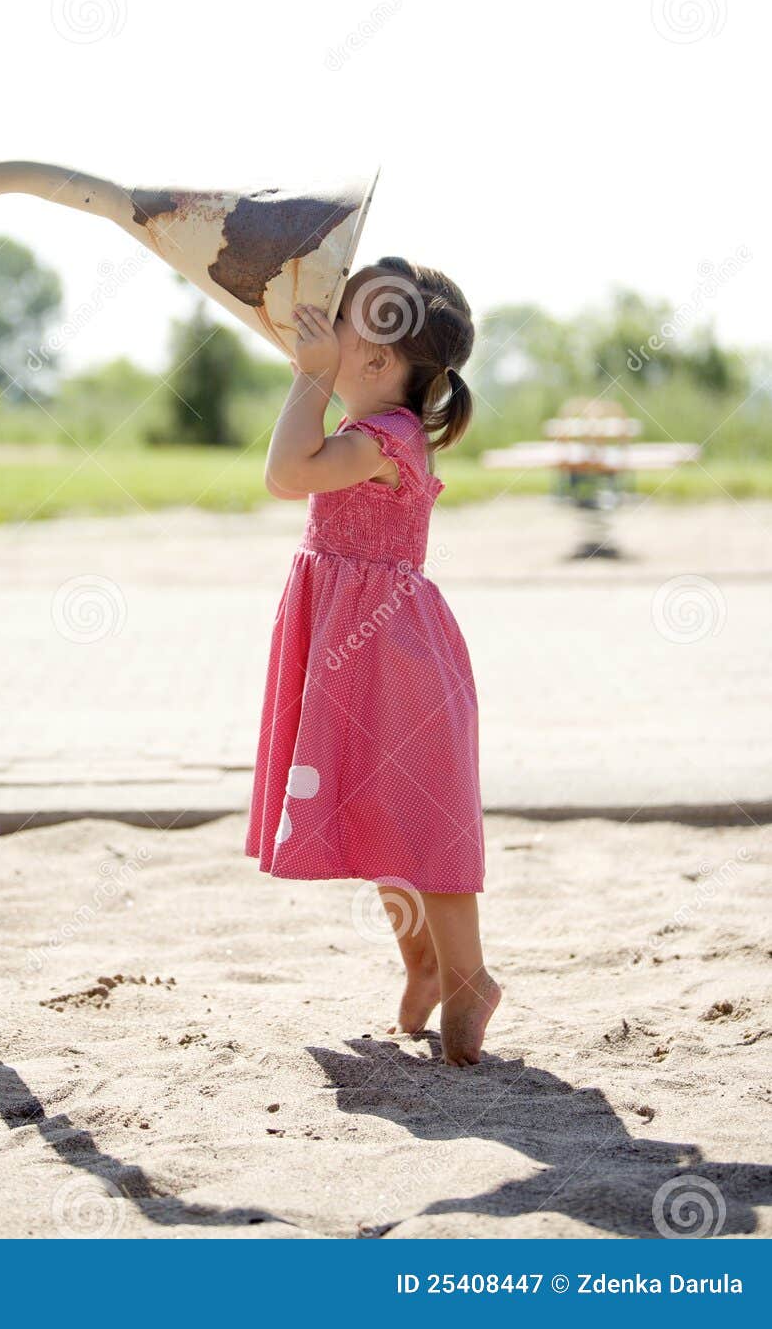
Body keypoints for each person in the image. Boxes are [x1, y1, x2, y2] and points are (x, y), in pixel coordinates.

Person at [245, 258, 499, 1066]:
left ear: (378, 361)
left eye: (337, 322)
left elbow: (286, 474)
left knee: (425, 825)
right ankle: (422, 964)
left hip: (392, 655)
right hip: (359, 647)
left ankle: (469, 978)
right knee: (380, 814)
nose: (317, 325)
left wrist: (306, 380)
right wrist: (320, 369)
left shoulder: (378, 440)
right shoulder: (384, 433)